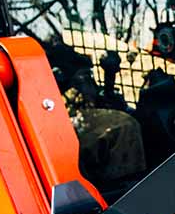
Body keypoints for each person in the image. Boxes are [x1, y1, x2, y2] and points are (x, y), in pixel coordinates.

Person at [43, 37, 147, 188]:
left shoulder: (72, 63)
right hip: (61, 119)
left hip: (78, 111)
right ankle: (122, 190)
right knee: (124, 127)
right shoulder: (46, 68)